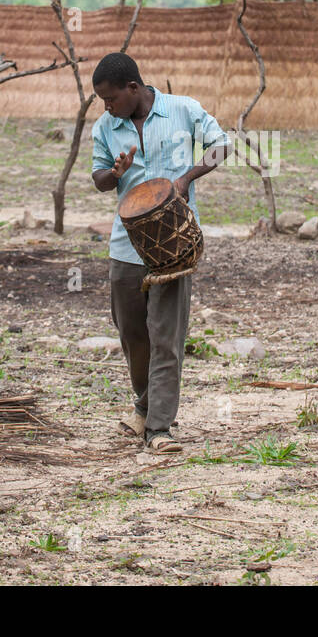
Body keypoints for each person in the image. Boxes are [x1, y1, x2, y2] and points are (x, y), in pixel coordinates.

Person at [91, 52, 230, 454]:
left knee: (166, 338)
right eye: (102, 100)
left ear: (133, 88)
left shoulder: (183, 110)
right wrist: (115, 173)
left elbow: (222, 146)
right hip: (126, 246)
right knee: (133, 335)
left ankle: (159, 428)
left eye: (111, 98)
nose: (107, 106)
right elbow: (99, 179)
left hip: (174, 247)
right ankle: (144, 404)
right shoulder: (106, 126)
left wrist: (186, 178)